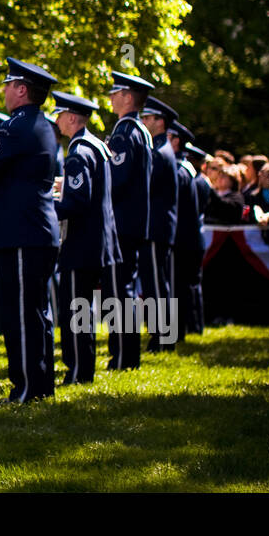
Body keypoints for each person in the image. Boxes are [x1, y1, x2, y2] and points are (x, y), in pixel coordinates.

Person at [0, 57, 61, 403]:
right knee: (36, 312)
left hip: (21, 233)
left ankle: (27, 389)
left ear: (22, 90)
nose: (4, 91)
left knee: (20, 314)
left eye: (8, 85)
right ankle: (41, 386)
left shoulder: (14, 128)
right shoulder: (41, 125)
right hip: (35, 231)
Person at [52, 91, 120, 385]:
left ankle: (79, 371)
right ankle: (82, 368)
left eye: (59, 115)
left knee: (76, 310)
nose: (56, 121)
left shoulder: (79, 152)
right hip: (97, 240)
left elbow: (76, 203)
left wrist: (45, 203)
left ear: (70, 118)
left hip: (81, 243)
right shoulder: (95, 146)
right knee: (84, 308)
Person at [104, 70, 155, 369]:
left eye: (115, 93)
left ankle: (123, 357)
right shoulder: (138, 131)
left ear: (127, 97)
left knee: (118, 291)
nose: (110, 98)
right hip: (132, 222)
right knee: (122, 290)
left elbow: (117, 179)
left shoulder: (125, 132)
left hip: (122, 223)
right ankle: (126, 355)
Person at [139, 96, 179, 351]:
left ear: (159, 122)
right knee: (157, 282)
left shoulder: (159, 152)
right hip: (158, 226)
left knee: (155, 284)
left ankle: (162, 337)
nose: (143, 122)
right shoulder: (162, 149)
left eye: (147, 118)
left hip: (155, 226)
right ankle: (164, 335)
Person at [166, 121, 206, 338]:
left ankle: (176, 330)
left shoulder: (180, 171)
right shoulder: (187, 170)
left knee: (178, 287)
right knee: (187, 286)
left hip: (182, 239)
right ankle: (190, 327)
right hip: (189, 238)